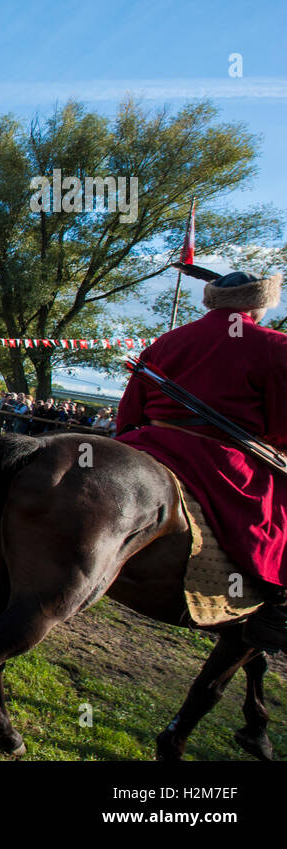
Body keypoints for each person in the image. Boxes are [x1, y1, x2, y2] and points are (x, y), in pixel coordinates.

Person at [114, 271, 287, 650]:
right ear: (259, 304)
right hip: (221, 456)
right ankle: (276, 605)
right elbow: (280, 425)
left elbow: (130, 412)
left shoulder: (168, 340)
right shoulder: (275, 346)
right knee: (274, 520)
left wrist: (129, 439)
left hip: (150, 441)